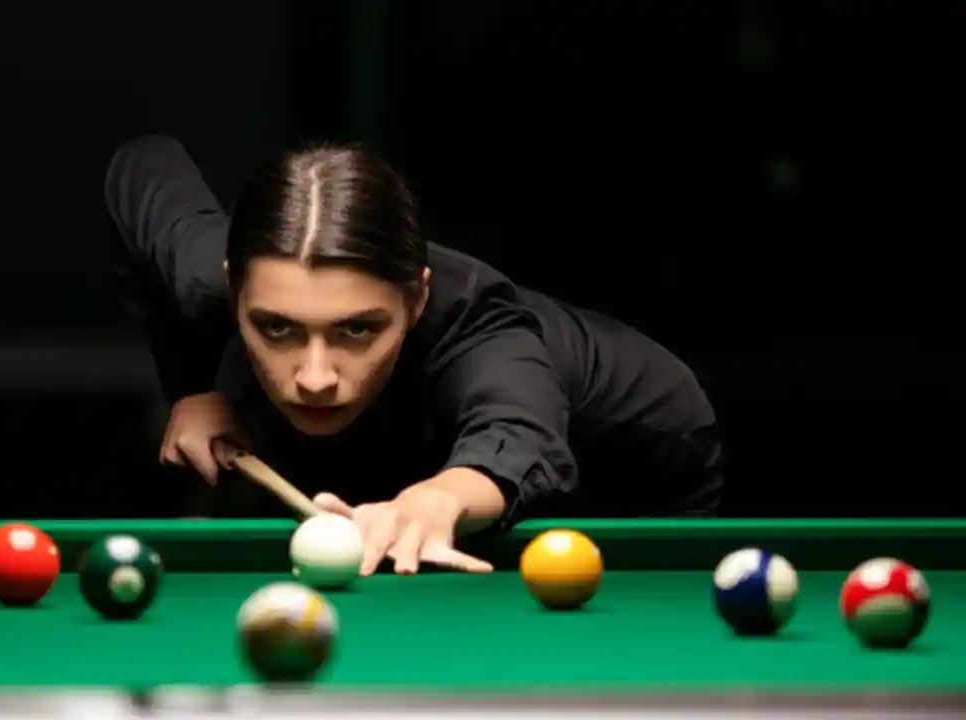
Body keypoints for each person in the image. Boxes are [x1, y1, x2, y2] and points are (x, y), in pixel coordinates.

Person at [105, 134, 724, 576]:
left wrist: (440, 498)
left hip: (627, 462)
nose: (315, 378)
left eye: (356, 331)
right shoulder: (201, 275)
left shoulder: (482, 326)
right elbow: (142, 161)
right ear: (232, 288)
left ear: (417, 296)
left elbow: (519, 434)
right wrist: (192, 386)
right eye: (277, 329)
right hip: (414, 439)